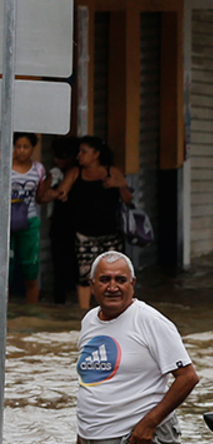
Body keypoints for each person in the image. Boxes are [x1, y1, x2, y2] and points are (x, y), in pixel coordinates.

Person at [73, 251, 200, 444]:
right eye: (105, 280)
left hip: (143, 438)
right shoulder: (90, 321)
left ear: (133, 284)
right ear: (92, 284)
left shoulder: (150, 321)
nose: (113, 286)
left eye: (120, 280)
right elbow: (92, 381)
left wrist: (151, 422)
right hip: (98, 443)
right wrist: (82, 434)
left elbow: (187, 377)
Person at [56, 136, 133, 311]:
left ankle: (119, 310)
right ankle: (85, 313)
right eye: (79, 151)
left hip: (110, 233)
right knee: (84, 275)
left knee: (116, 275)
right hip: (84, 234)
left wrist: (119, 185)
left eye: (84, 152)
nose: (79, 155)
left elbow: (128, 200)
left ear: (96, 154)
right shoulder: (76, 172)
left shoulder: (111, 172)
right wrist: (60, 193)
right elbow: (63, 190)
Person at [10, 132, 45, 304]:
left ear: (32, 149)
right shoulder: (5, 167)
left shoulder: (38, 170)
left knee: (30, 268)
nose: (22, 151)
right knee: (5, 271)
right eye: (18, 147)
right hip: (6, 223)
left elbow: (40, 196)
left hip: (29, 222)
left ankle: (33, 309)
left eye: (26, 147)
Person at [46, 137, 79, 304]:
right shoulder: (54, 174)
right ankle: (60, 303)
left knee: (79, 267)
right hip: (59, 227)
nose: (59, 160)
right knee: (59, 266)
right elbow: (43, 196)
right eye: (57, 156)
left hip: (80, 227)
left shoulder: (80, 173)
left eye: (63, 156)